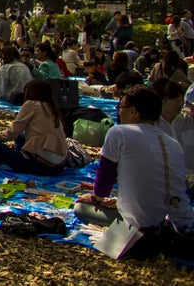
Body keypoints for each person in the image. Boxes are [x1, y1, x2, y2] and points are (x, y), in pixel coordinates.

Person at [76, 86, 194, 258]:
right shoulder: (173, 143)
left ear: (133, 112)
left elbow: (105, 178)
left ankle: (126, 237)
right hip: (182, 224)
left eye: (120, 108)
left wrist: (96, 198)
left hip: (141, 228)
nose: (118, 112)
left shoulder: (119, 132)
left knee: (81, 207)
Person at [0, 79, 68, 175]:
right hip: (59, 165)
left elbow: (12, 133)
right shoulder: (52, 107)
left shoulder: (31, 104)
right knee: (21, 136)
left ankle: (23, 159)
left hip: (41, 166)